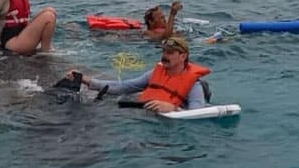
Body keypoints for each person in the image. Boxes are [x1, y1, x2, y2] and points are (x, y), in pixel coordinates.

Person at [66, 35, 209, 112]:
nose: (164, 56)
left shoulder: (194, 86)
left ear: (183, 56)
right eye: (163, 51)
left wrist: (173, 109)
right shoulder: (154, 73)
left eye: (170, 53)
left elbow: (197, 113)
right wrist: (86, 80)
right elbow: (123, 87)